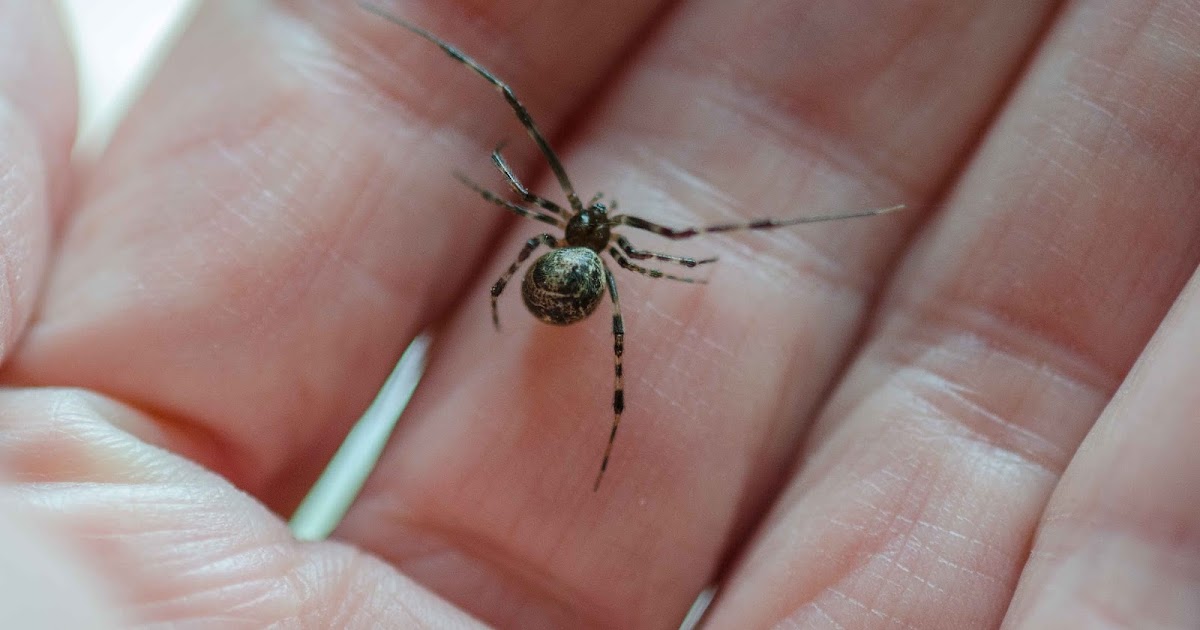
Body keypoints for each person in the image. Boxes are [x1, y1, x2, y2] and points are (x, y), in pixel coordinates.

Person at [1, 1, 1197, 627]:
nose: (601, 218)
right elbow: (557, 196)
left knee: (602, 301)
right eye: (595, 221)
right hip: (560, 292)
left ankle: (612, 426)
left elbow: (541, 194)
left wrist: (533, 239)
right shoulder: (593, 242)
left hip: (556, 291)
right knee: (570, 226)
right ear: (591, 229)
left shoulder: (570, 237)